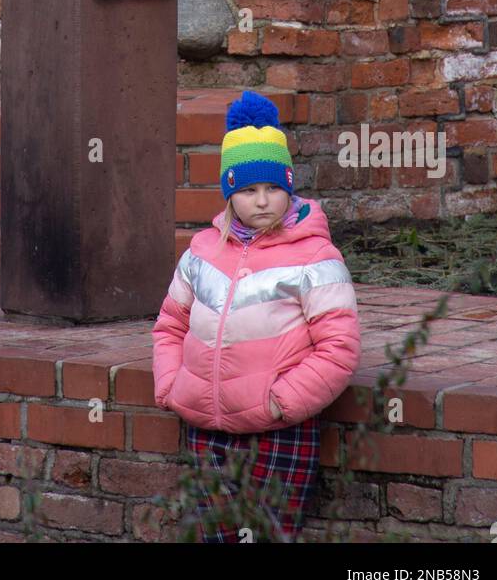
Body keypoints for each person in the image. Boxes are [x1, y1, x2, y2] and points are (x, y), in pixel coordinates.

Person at [152, 91, 361, 542]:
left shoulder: (316, 258)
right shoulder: (201, 254)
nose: (263, 201)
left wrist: (280, 401)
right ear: (229, 193)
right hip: (208, 432)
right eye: (248, 190)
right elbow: (170, 325)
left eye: (273, 188)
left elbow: (338, 348)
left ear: (289, 187)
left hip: (278, 430)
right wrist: (171, 384)